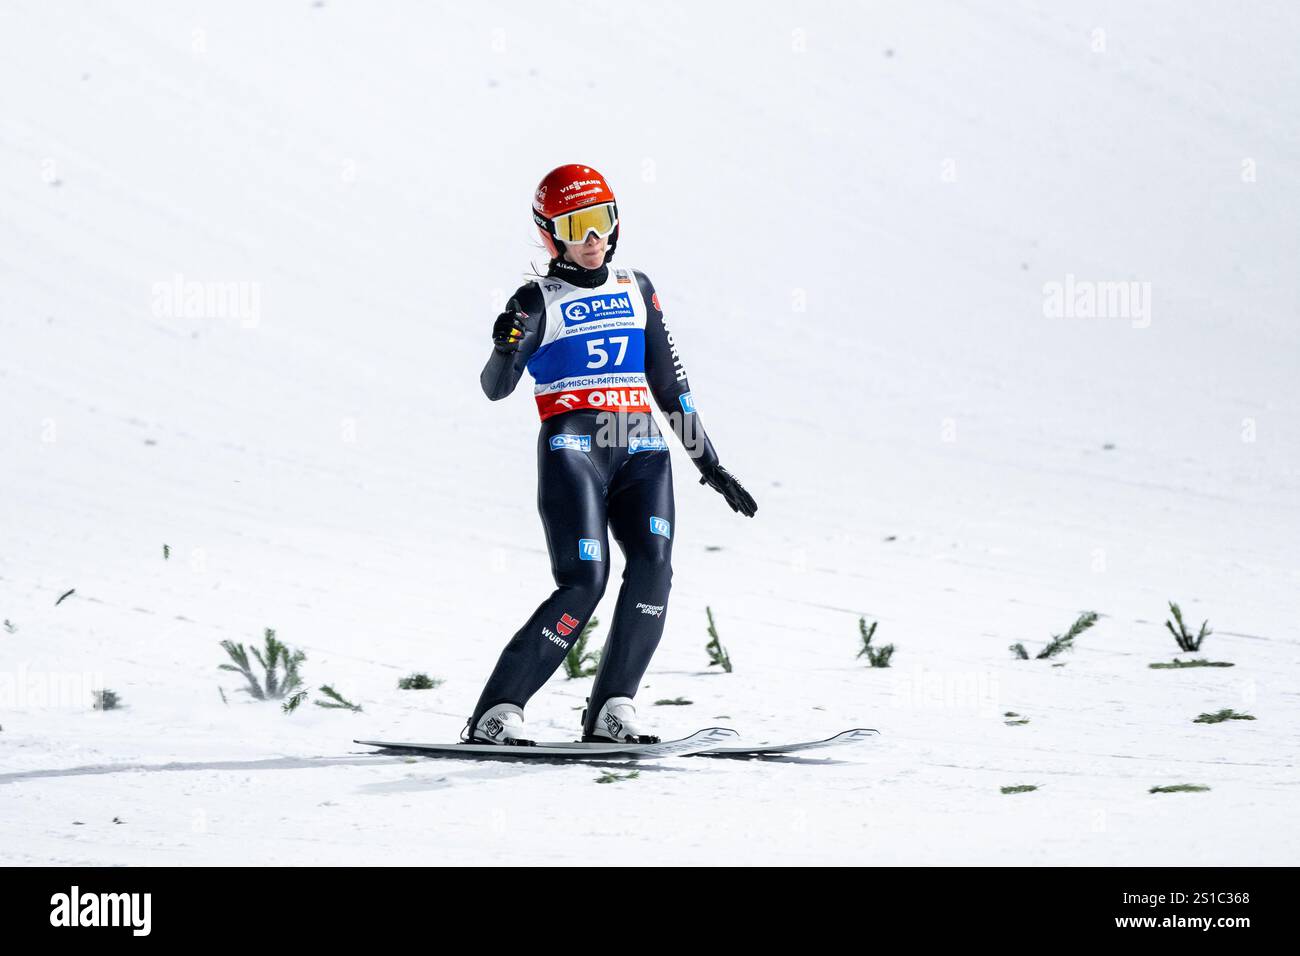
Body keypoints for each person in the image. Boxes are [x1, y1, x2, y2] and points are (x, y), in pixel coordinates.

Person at [462, 164, 757, 747]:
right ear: (552, 234)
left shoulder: (637, 287)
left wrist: (709, 464)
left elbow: (671, 386)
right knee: (584, 582)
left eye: (601, 222)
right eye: (577, 226)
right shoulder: (536, 299)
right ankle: (497, 711)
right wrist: (506, 346)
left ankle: (613, 708)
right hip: (574, 448)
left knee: (654, 568)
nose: (593, 239)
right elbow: (496, 389)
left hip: (644, 450)